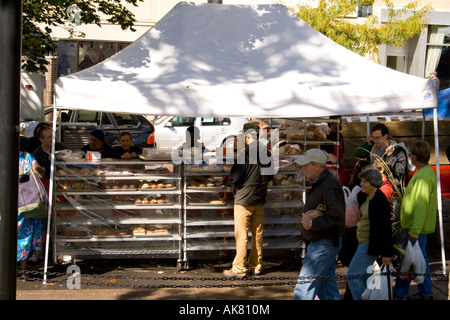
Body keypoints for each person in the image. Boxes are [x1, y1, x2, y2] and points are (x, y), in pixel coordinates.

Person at [293, 148, 345, 300]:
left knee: (303, 289)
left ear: (317, 166)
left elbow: (337, 217)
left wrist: (312, 224)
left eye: (306, 165)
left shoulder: (329, 186)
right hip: (323, 242)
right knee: (326, 290)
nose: (303, 168)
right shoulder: (323, 183)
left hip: (324, 242)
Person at [223, 122, 273, 278]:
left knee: (242, 235)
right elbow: (270, 176)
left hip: (244, 200)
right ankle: (256, 266)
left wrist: (226, 182)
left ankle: (239, 268)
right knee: (258, 234)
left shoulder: (244, 154)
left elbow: (235, 178)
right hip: (260, 198)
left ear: (248, 135)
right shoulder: (267, 153)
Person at [393, 141, 437, 300]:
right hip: (415, 226)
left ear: (415, 156)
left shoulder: (423, 176)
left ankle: (418, 292)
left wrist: (414, 230)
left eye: (411, 154)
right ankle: (409, 291)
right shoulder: (424, 172)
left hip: (415, 227)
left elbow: (421, 205)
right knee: (414, 259)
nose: (409, 156)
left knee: (415, 260)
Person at [346, 168, 393, 300]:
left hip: (369, 244)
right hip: (363, 242)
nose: (361, 184)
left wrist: (386, 253)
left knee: (353, 276)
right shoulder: (365, 197)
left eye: (365, 182)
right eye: (362, 181)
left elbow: (386, 228)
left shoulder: (380, 200)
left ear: (373, 183)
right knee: (362, 277)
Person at [338, 159, 370, 300]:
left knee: (357, 273)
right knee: (355, 273)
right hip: (353, 235)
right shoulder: (356, 190)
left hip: (362, 238)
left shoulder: (373, 195)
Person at [17, 133, 45, 279]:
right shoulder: (28, 157)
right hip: (27, 203)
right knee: (24, 237)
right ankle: (24, 270)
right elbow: (39, 173)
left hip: (9, 203)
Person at [355, 123, 408, 188]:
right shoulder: (373, 149)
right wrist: (367, 142)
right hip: (378, 185)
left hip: (394, 188)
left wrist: (390, 156)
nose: (375, 141)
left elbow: (401, 170)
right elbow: (359, 153)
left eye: (377, 138)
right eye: (373, 138)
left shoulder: (397, 149)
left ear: (385, 136)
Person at [321, 116, 344, 185]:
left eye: (341, 121)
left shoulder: (340, 136)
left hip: (339, 167)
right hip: (330, 167)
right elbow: (324, 153)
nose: (340, 124)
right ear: (332, 122)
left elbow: (342, 153)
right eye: (338, 121)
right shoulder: (327, 135)